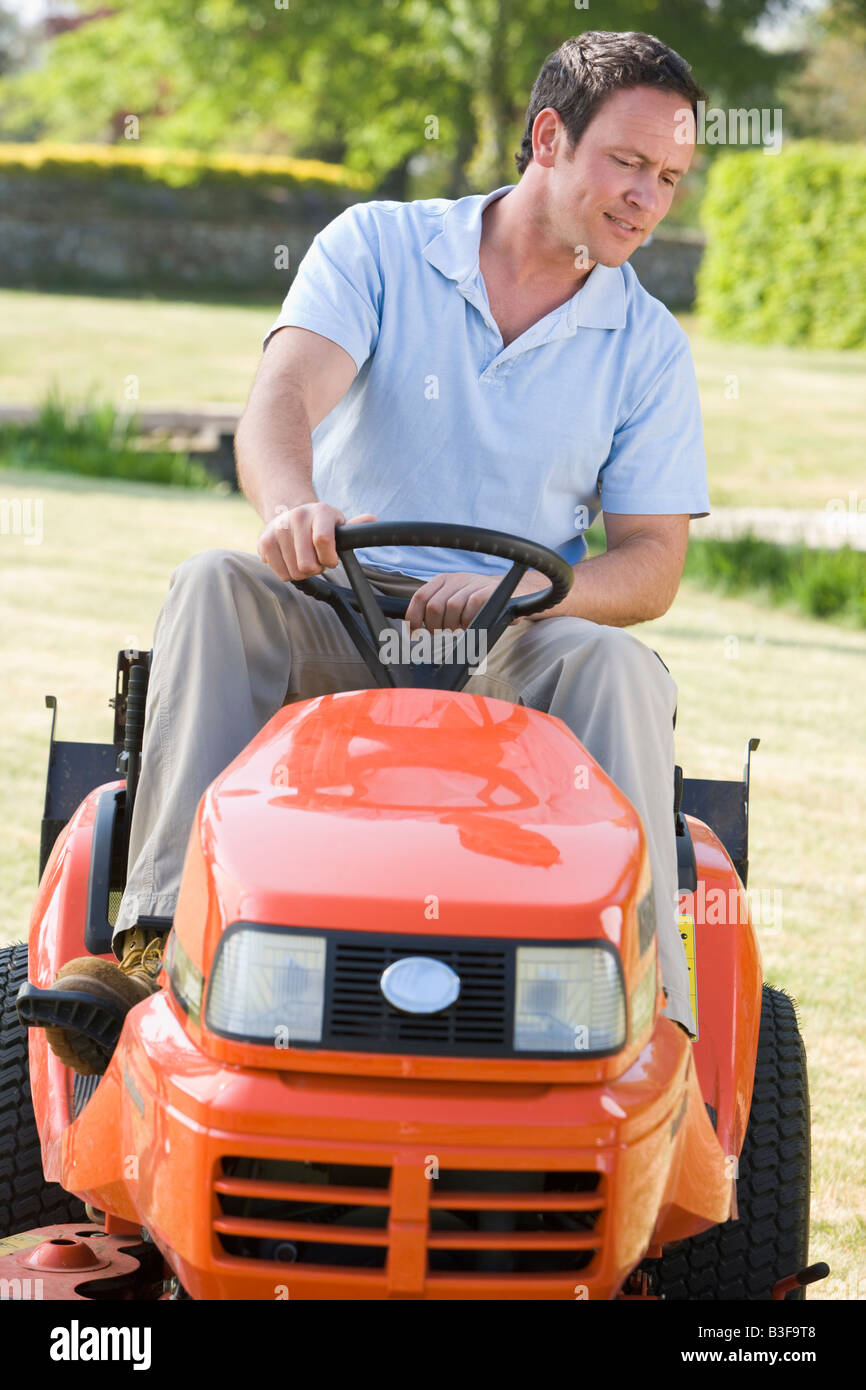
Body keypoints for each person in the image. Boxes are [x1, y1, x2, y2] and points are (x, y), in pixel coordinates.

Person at [43, 29, 710, 1074]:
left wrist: (528, 594)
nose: (645, 198)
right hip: (341, 614)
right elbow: (280, 400)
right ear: (548, 138)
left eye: (667, 177)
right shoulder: (381, 247)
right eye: (625, 163)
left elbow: (651, 564)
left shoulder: (649, 348)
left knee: (621, 662)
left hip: (508, 651)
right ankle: (155, 944)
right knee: (216, 581)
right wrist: (291, 506)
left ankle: (649, 1018)